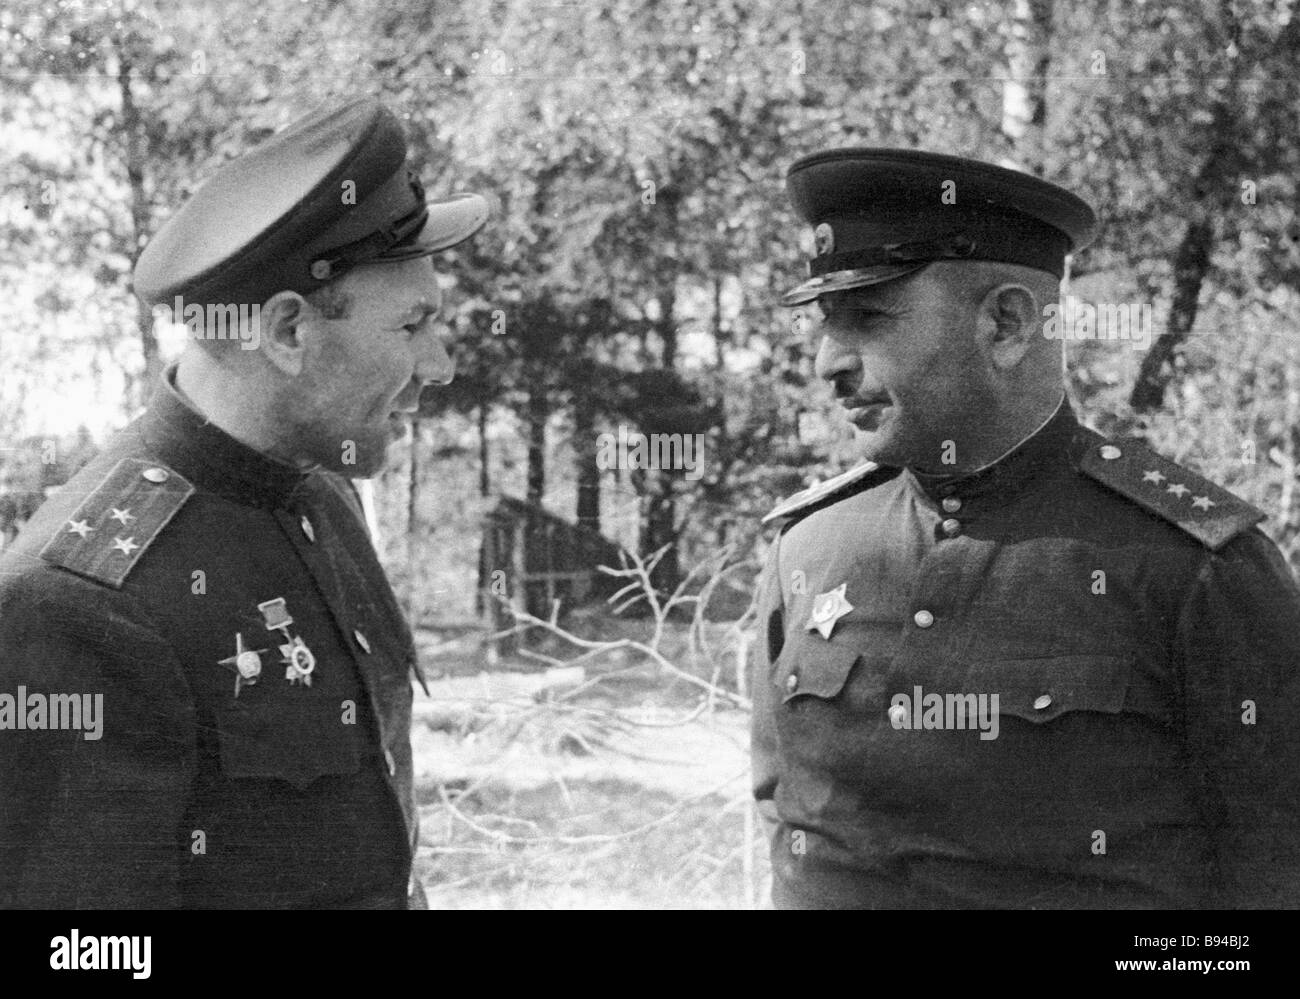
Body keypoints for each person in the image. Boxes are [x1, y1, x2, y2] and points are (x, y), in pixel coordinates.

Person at [752, 148, 1300, 909]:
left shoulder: (1193, 565)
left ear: (1006, 323)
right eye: (824, 322)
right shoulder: (809, 549)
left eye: (869, 317)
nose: (826, 361)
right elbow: (785, 816)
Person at [0, 98, 488, 908]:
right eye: (412, 326)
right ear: (288, 331)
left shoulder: (320, 490)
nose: (439, 364)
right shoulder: (77, 607)